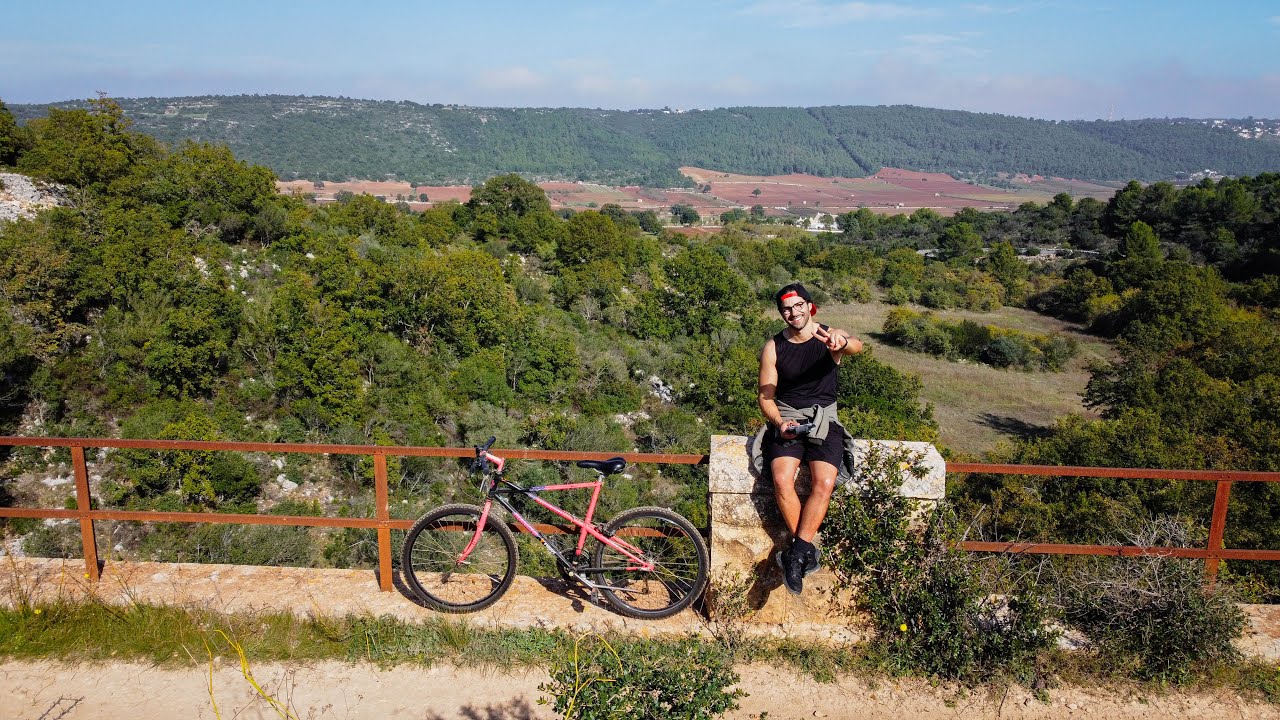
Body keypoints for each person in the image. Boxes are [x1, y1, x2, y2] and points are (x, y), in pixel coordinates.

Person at [757, 283, 863, 595]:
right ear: (782, 313)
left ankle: (795, 555)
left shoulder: (828, 336)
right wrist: (779, 422)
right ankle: (806, 552)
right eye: (787, 308)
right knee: (781, 479)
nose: (793, 312)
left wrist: (841, 343)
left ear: (810, 305)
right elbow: (766, 397)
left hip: (824, 420)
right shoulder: (774, 347)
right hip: (788, 419)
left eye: (798, 305)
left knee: (824, 484)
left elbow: (856, 345)